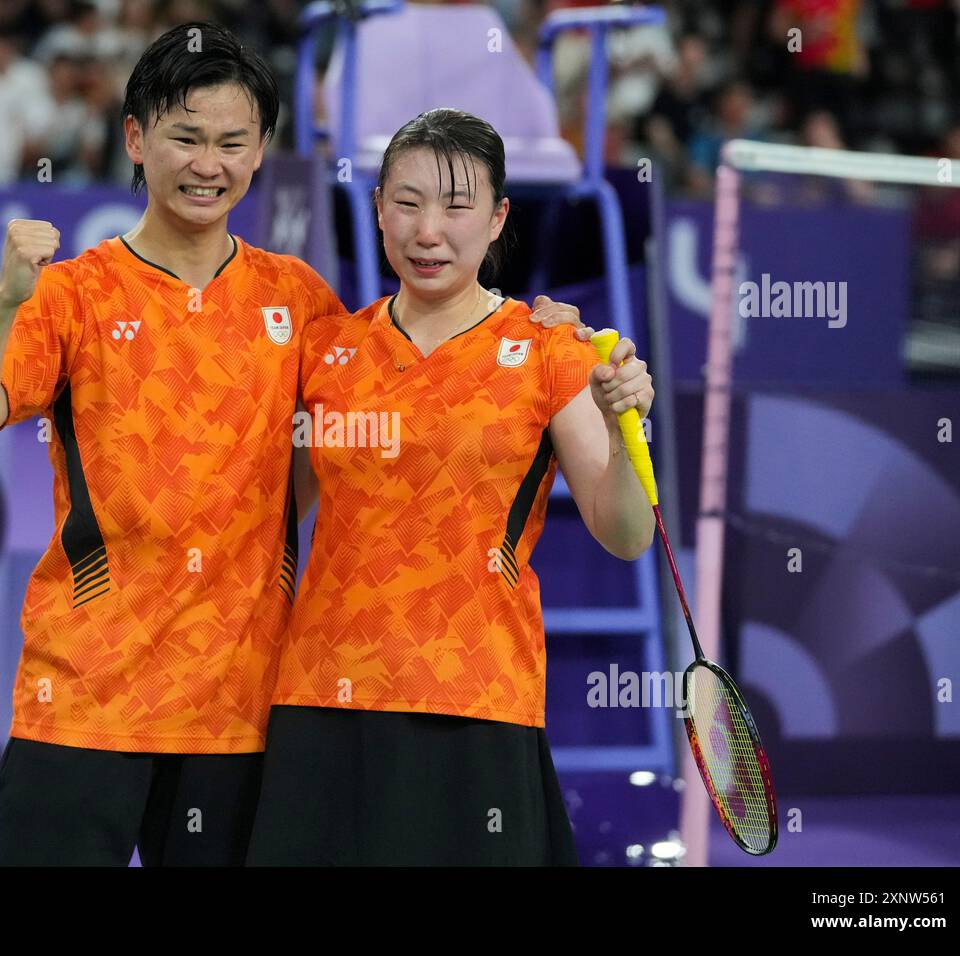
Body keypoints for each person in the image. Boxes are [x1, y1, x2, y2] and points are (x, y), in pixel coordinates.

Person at [0, 23, 584, 867]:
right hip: (83, 695)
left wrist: (534, 326)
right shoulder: (72, 295)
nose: (210, 163)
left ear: (259, 152)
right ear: (136, 138)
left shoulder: (301, 301)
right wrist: (2, 307)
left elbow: (346, 442)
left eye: (234, 142)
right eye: (187, 137)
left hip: (237, 712)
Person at [247, 108, 656, 866]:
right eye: (405, 203)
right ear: (377, 210)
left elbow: (625, 534)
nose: (428, 230)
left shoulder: (551, 354)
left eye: (457, 205)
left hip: (475, 698)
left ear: (498, 218)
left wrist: (628, 434)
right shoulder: (327, 350)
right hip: (321, 696)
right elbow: (272, 513)